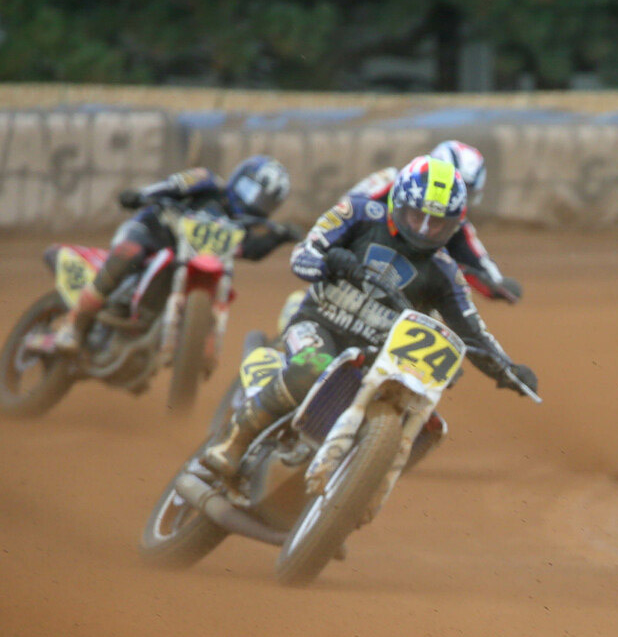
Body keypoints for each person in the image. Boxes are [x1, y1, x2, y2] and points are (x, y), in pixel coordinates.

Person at [197, 154, 537, 483]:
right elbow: (306, 251)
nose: (424, 228)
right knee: (312, 367)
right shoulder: (359, 213)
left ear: (454, 224)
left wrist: (508, 370)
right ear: (398, 202)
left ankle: (345, 502)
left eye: (438, 223)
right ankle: (233, 443)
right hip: (320, 323)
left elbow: (473, 331)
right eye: (417, 215)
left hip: (377, 357)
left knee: (409, 407)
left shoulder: (446, 272)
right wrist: (325, 263)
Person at [52, 155, 296, 354]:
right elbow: (172, 185)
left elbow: (253, 250)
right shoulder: (208, 182)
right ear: (240, 179)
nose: (256, 202)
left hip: (190, 259)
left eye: (267, 201)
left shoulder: (246, 225)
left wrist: (281, 236)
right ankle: (73, 324)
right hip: (153, 232)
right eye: (253, 190)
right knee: (130, 253)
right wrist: (142, 195)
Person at [346, 140, 522, 305]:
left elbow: (475, 257)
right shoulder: (390, 181)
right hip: (350, 268)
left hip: (401, 294)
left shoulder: (455, 223)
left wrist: (495, 282)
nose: (455, 198)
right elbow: (345, 212)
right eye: (457, 187)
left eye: (467, 193)